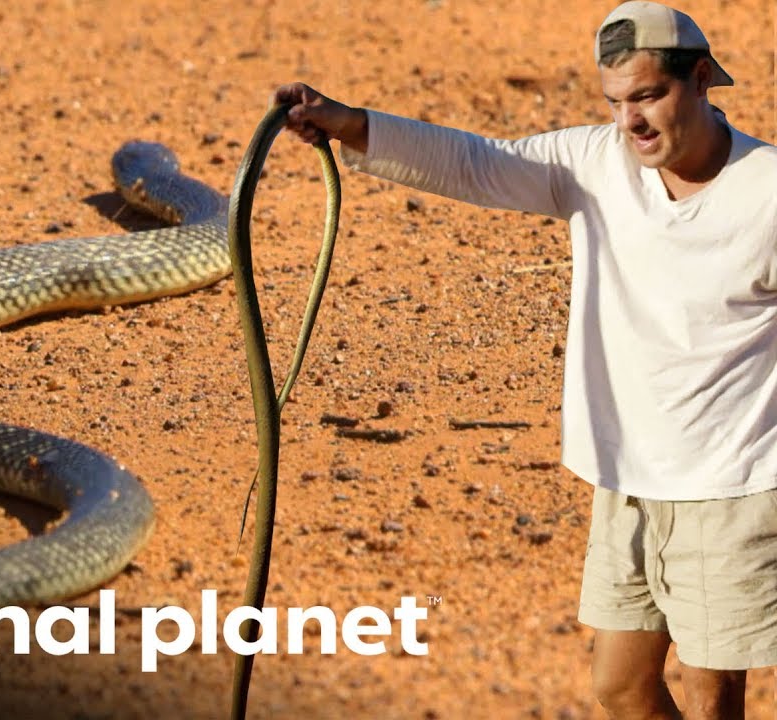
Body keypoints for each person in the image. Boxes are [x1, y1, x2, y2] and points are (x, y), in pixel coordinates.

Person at [273, 2, 777, 719]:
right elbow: (478, 163)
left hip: (731, 485)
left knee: (711, 693)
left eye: (647, 97)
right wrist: (349, 122)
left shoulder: (766, 193)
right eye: (615, 102)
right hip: (629, 479)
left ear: (700, 81)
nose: (630, 121)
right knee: (620, 686)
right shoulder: (598, 165)